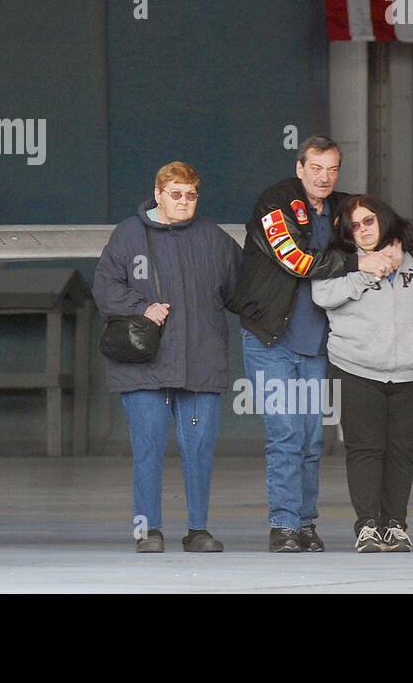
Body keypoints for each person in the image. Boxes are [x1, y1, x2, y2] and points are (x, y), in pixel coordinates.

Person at [228, 135, 400, 553]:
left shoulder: (343, 205)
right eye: (316, 168)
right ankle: (283, 526)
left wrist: (398, 244)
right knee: (285, 434)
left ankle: (306, 524)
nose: (324, 177)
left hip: (319, 344)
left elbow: (384, 225)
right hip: (271, 340)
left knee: (311, 440)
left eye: (332, 169)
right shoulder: (276, 202)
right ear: (299, 167)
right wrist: (360, 260)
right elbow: (296, 260)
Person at [93, 161, 242, 553]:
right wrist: (141, 306)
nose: (183, 201)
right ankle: (147, 529)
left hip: (200, 361)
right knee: (148, 445)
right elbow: (105, 288)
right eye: (175, 194)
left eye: (191, 194)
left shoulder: (214, 238)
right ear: (158, 194)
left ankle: (198, 530)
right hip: (144, 364)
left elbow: (243, 290)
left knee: (199, 448)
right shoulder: (128, 234)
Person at [312, 194, 413, 552]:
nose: (362, 230)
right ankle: (367, 526)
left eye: (369, 222)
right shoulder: (339, 261)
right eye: (355, 226)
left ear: (384, 221)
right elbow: (323, 295)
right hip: (357, 369)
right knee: (364, 449)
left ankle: (395, 525)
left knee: (401, 451)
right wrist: (366, 269)